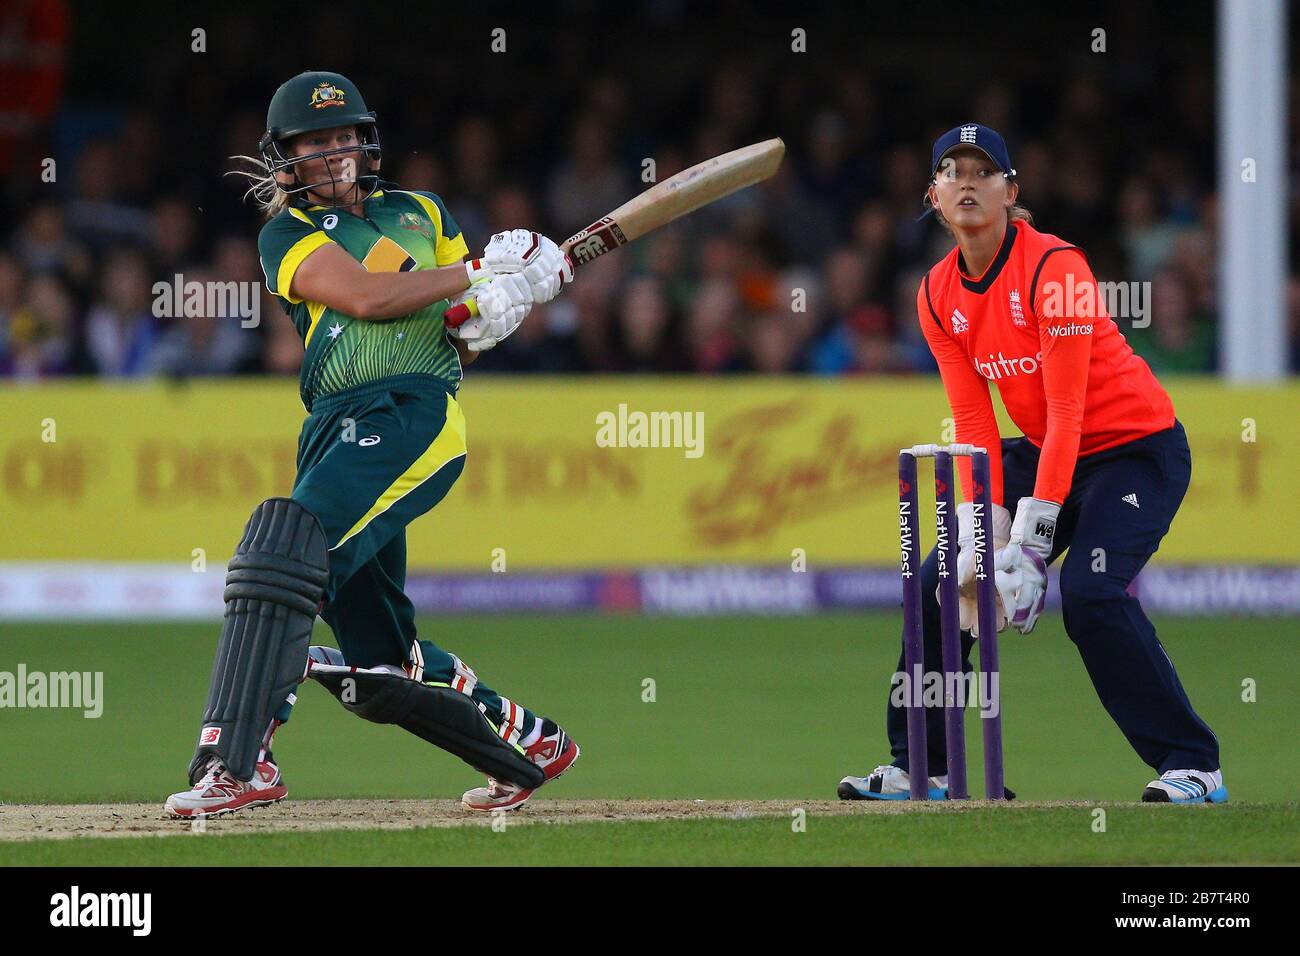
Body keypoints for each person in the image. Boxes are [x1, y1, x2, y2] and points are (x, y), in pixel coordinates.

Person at [165, 71, 578, 818]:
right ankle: (523, 743)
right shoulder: (284, 234)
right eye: (314, 142)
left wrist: (497, 310)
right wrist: (487, 270)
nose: (334, 152)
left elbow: (457, 331)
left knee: (282, 553)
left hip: (413, 412)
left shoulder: (421, 211)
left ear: (365, 140)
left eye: (343, 136)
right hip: (334, 424)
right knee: (377, 666)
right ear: (283, 157)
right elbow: (367, 296)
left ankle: (239, 762)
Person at [838, 124, 1225, 804]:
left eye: (982, 172)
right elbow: (977, 421)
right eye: (951, 171)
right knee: (940, 579)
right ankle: (921, 767)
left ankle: (1192, 764)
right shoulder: (934, 295)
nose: (966, 181)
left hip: (1133, 449)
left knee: (1092, 594)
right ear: (932, 195)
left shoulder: (1057, 269)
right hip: (1045, 451)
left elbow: (1070, 407)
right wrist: (981, 520)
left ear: (1010, 192)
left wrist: (1030, 542)